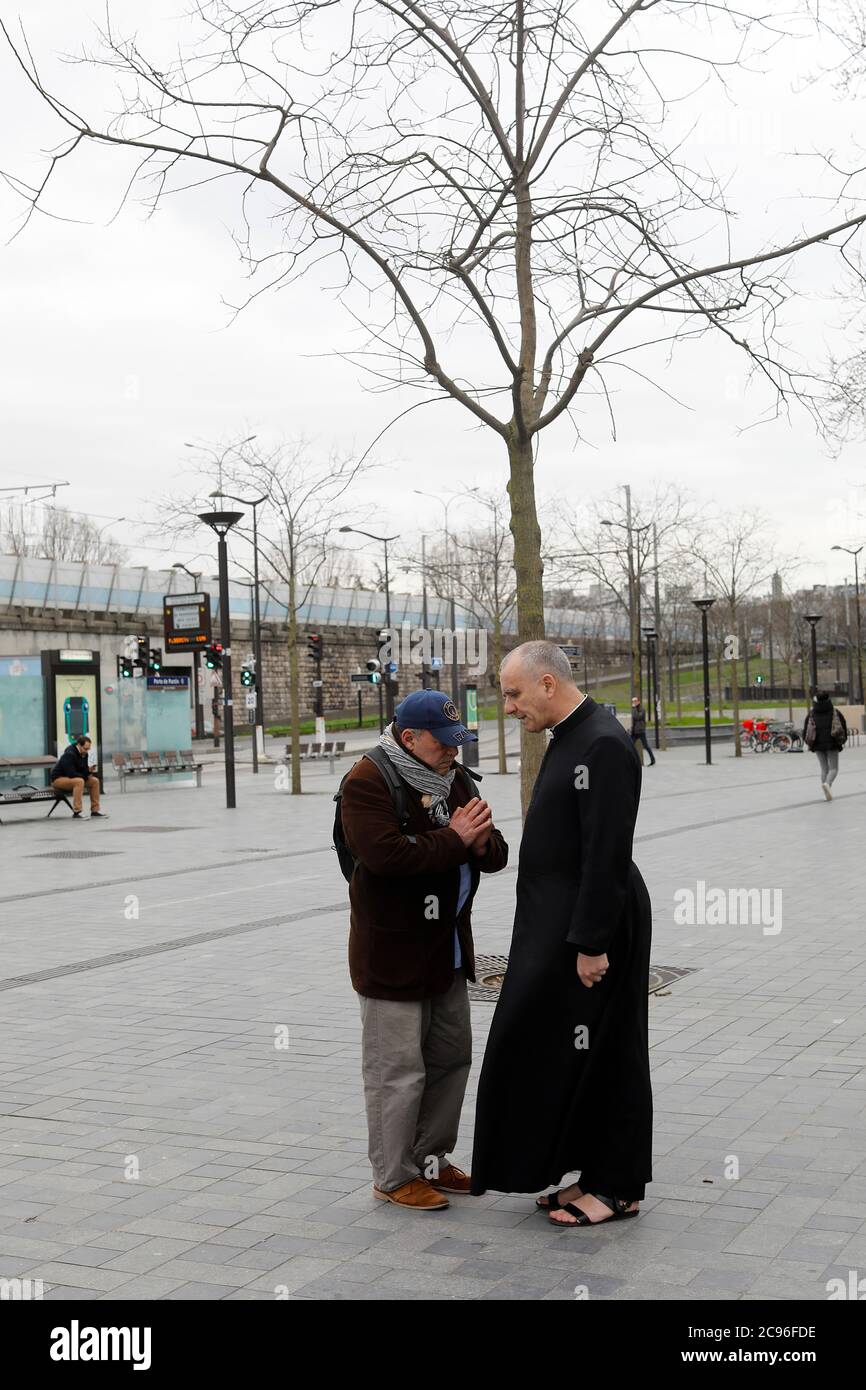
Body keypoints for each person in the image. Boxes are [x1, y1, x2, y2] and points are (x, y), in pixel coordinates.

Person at [471, 640, 652, 1227]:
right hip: (559, 927)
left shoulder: (600, 743)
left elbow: (606, 852)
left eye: (515, 694)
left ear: (548, 684)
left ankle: (618, 1185)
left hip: (593, 927)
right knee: (561, 1048)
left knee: (609, 1049)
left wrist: (592, 941)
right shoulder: (570, 736)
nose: (510, 708)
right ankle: (584, 1168)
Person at [340, 689, 508, 1211]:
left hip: (448, 952)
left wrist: (481, 844)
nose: (455, 752)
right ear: (409, 738)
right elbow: (386, 857)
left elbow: (494, 851)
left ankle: (431, 1159)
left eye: (459, 741)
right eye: (445, 742)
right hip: (392, 956)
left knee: (451, 1059)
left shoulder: (453, 778)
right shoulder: (366, 782)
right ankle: (393, 1176)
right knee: (398, 1070)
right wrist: (457, 840)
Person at [804, 690, 847, 801]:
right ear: (828, 699)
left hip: (817, 744)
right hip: (832, 743)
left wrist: (809, 742)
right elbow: (843, 727)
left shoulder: (812, 713)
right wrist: (842, 741)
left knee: (824, 769)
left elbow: (805, 730)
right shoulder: (834, 711)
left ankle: (825, 791)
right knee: (834, 769)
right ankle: (827, 784)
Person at [50, 735, 107, 819]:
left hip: (73, 778)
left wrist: (89, 770)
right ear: (79, 745)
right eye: (85, 748)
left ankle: (95, 810)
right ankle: (77, 811)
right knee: (79, 781)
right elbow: (71, 773)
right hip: (58, 780)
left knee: (94, 781)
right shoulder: (69, 754)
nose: (87, 751)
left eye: (88, 749)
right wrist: (85, 774)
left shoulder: (84, 754)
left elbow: (82, 770)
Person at [630, 695, 655, 766]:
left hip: (641, 731)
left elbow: (637, 717)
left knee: (646, 746)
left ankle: (652, 759)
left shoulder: (642, 709)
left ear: (638, 701)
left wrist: (634, 708)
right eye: (633, 701)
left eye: (635, 701)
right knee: (630, 745)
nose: (634, 702)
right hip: (635, 732)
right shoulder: (634, 709)